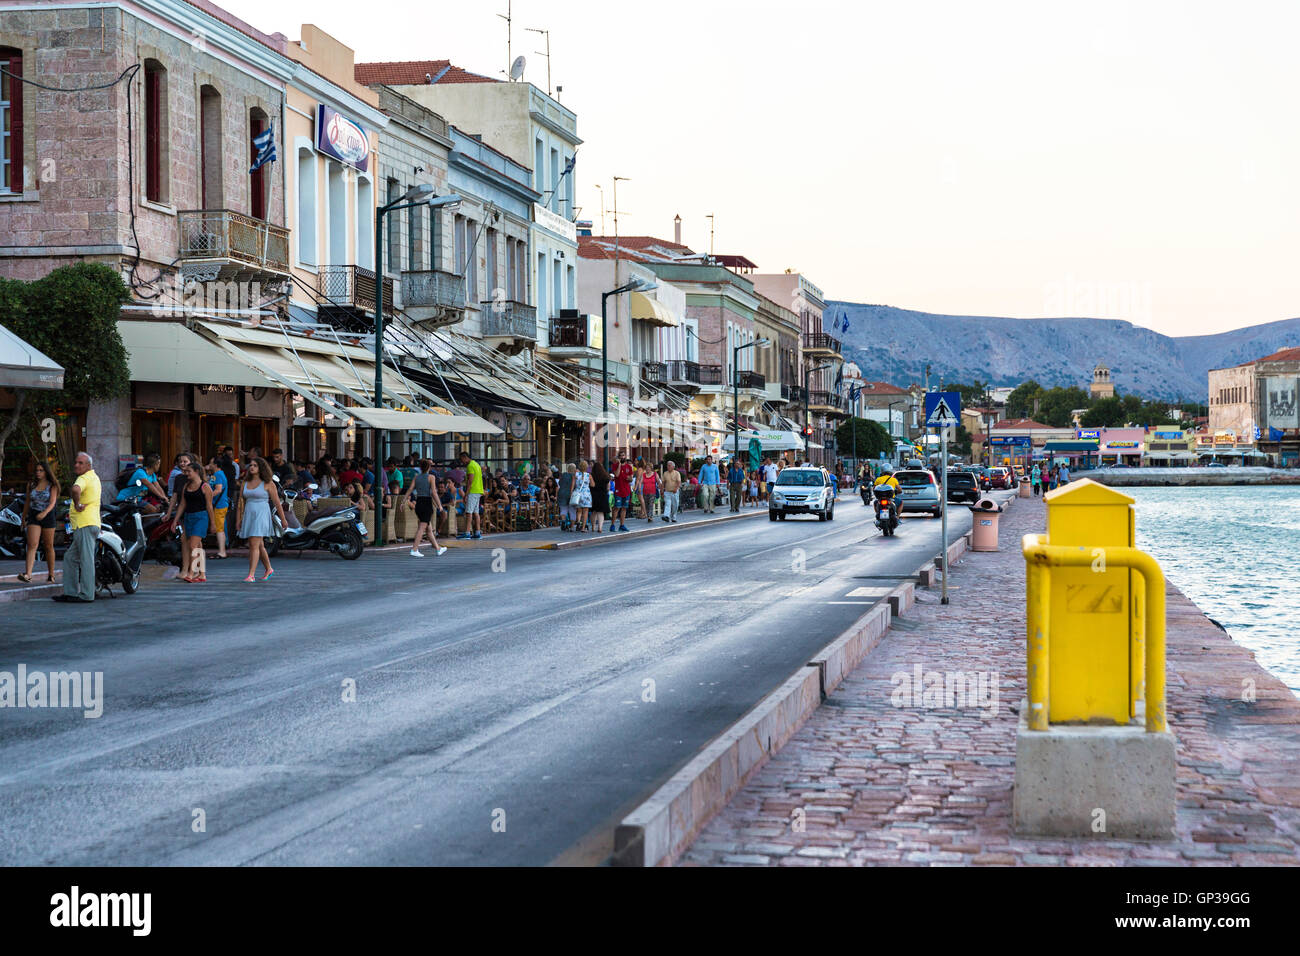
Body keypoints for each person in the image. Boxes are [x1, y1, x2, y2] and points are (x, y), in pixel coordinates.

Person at [54, 451, 101, 603]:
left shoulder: (84, 478)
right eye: (76, 462)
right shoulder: (94, 477)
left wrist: (76, 503)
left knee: (86, 560)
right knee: (70, 558)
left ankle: (87, 594)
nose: (76, 465)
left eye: (80, 463)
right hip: (87, 524)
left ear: (88, 465)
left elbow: (75, 490)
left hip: (85, 524)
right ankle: (71, 592)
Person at [238, 457, 286, 582]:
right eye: (251, 465)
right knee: (259, 545)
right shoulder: (245, 482)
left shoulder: (268, 483)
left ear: (261, 468)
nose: (252, 467)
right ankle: (269, 568)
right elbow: (240, 502)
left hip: (262, 513)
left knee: (254, 544)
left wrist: (283, 520)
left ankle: (251, 574)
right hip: (249, 513)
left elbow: (277, 502)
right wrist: (239, 519)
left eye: (255, 465)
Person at [173, 458, 216, 583]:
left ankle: (191, 573)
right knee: (197, 546)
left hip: (201, 517)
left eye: (189, 471)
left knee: (193, 545)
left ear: (196, 471)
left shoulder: (205, 486)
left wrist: (213, 523)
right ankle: (202, 574)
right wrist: (176, 520)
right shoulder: (186, 485)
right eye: (185, 471)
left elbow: (209, 506)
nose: (186, 474)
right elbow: (182, 504)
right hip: (188, 517)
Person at [18, 460, 59, 584]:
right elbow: (27, 502)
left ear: (46, 471)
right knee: (32, 544)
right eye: (37, 470)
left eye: (41, 470)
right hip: (34, 515)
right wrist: (23, 518)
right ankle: (28, 574)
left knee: (48, 545)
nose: (38, 473)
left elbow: (52, 502)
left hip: (48, 515)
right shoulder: (31, 484)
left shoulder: (52, 485)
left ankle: (51, 574)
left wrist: (45, 513)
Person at [404, 460, 448, 557]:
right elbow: (433, 492)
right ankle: (414, 549)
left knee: (428, 529)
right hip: (426, 503)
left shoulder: (416, 477)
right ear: (429, 467)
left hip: (419, 503)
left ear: (420, 467)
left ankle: (438, 549)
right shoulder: (431, 477)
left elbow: (410, 489)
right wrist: (439, 505)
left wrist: (403, 501)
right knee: (422, 528)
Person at [205, 455, 230, 559]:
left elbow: (218, 489)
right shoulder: (217, 474)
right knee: (220, 527)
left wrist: (208, 497)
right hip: (220, 504)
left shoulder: (217, 474)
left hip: (219, 505)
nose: (209, 465)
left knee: (219, 528)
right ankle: (222, 550)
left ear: (215, 465)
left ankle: (222, 552)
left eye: (211, 463)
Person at [457, 450, 484, 540]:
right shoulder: (476, 464)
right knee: (476, 512)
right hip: (478, 491)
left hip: (473, 491)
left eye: (462, 459)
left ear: (465, 457)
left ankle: (467, 533)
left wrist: (466, 494)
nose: (462, 462)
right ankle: (477, 532)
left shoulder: (470, 466)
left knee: (469, 512)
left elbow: (470, 480)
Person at [611, 454, 634, 532]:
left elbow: (631, 478)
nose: (622, 457)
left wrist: (629, 478)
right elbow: (616, 474)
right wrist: (619, 465)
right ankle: (613, 524)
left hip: (626, 490)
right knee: (617, 507)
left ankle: (622, 525)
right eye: (621, 456)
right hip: (618, 490)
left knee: (624, 508)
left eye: (623, 456)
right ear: (618, 457)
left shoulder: (629, 467)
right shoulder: (615, 465)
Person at [571, 460, 593, 531]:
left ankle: (578, 522)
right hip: (586, 494)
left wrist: (571, 493)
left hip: (578, 494)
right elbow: (593, 485)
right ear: (586, 467)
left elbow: (572, 485)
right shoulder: (589, 475)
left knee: (579, 510)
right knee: (585, 512)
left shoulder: (576, 475)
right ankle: (583, 528)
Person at [591, 459, 611, 533]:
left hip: (594, 495)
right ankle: (600, 528)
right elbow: (608, 487)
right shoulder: (605, 476)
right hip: (603, 495)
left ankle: (593, 527)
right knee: (601, 512)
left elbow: (591, 485)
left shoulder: (592, 476)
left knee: (594, 512)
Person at [639, 459, 658, 524]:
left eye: (648, 468)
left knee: (650, 504)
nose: (647, 469)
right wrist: (639, 488)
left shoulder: (655, 474)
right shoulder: (643, 475)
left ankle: (650, 516)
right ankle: (648, 515)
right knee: (646, 504)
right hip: (645, 492)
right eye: (646, 468)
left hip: (653, 492)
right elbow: (640, 482)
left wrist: (661, 487)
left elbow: (659, 481)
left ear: (651, 468)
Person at [558, 463, 576, 531]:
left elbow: (559, 483)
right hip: (571, 494)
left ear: (568, 469)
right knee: (572, 510)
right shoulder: (574, 476)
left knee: (563, 508)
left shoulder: (564, 475)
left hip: (562, 493)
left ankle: (563, 520)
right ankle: (571, 527)